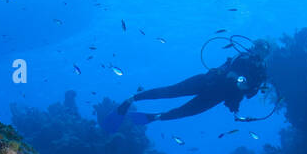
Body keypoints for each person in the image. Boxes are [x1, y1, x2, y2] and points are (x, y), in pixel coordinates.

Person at [104, 39, 271, 129]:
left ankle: (154, 117)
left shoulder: (261, 74)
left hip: (216, 97)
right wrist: (236, 79)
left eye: (262, 51)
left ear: (265, 55)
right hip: (205, 82)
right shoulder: (241, 57)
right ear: (252, 47)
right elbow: (231, 71)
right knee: (171, 91)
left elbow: (250, 93)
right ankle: (131, 99)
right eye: (257, 48)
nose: (257, 52)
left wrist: (246, 87)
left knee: (185, 112)